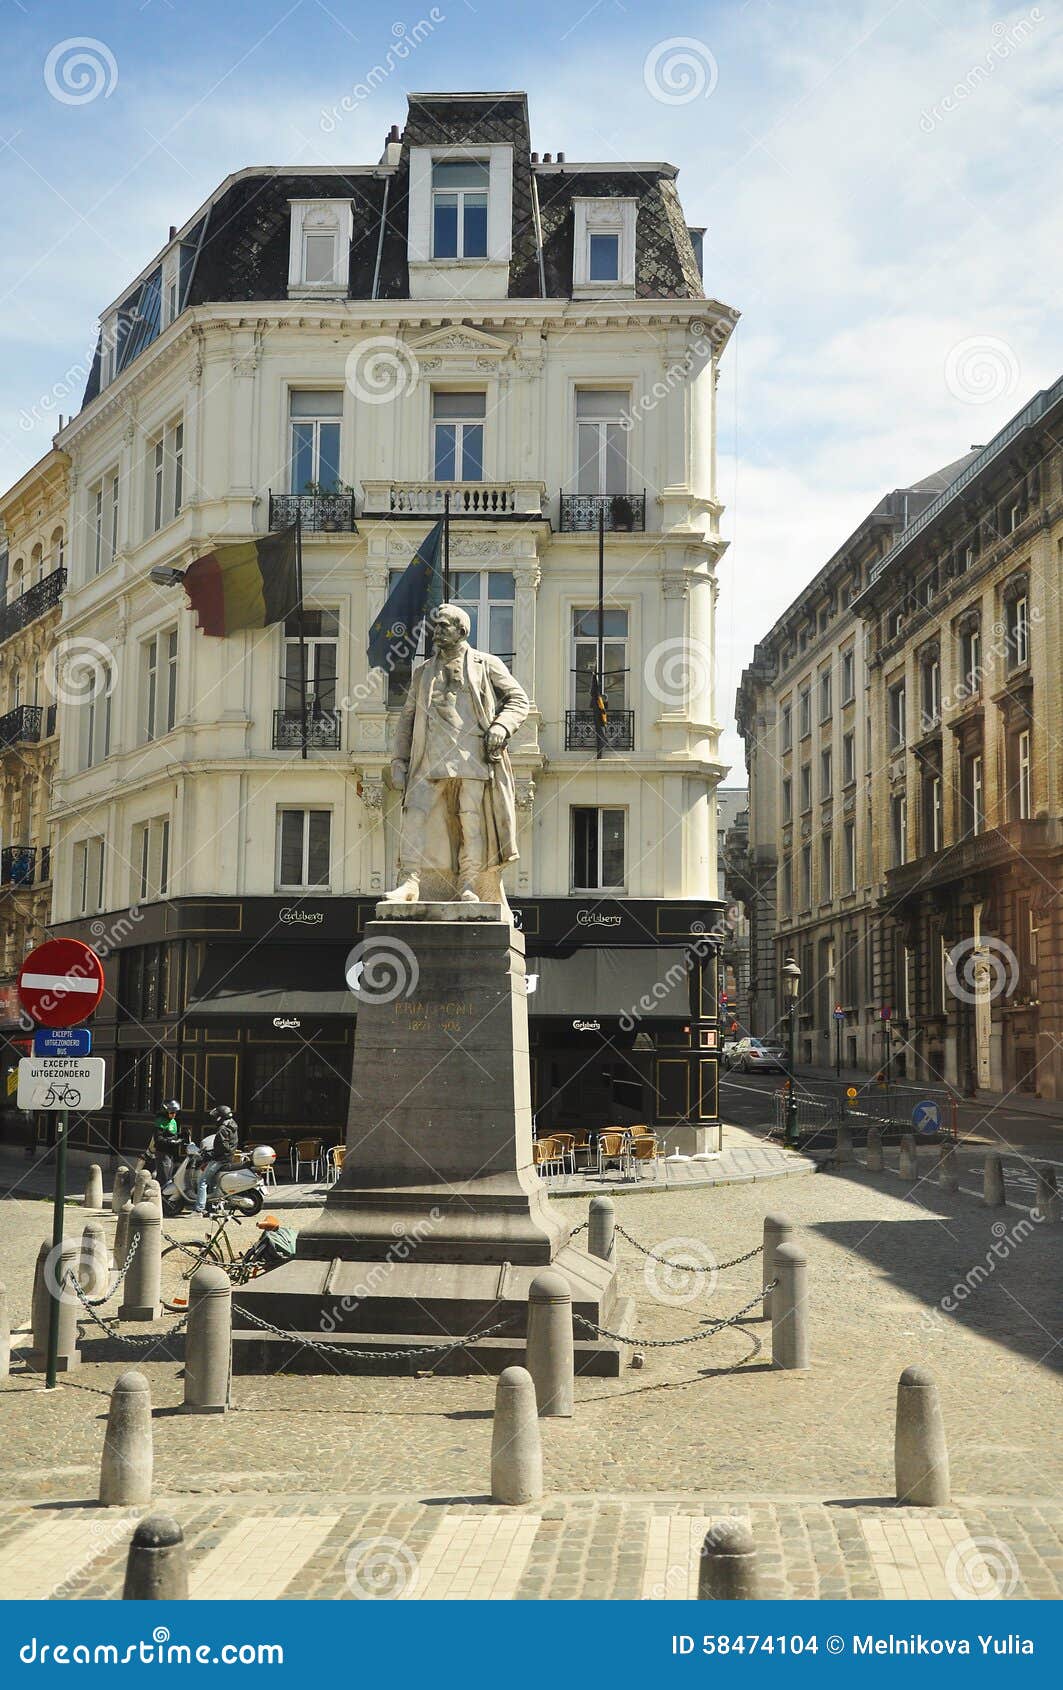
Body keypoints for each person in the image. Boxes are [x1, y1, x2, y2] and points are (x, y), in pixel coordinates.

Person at [385, 602, 529, 903]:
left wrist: (502, 727)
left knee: (470, 820)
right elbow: (408, 719)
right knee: (414, 813)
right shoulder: (423, 672)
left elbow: (518, 699)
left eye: (442, 626)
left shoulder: (485, 663)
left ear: (462, 630)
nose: (436, 631)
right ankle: (410, 881)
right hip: (429, 756)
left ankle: (468, 883)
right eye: (434, 626)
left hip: (472, 754)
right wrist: (399, 759)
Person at [194, 1105, 240, 1214]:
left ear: (221, 1117)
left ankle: (199, 1208)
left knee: (202, 1181)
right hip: (228, 1157)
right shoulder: (232, 1124)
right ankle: (212, 1205)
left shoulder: (222, 1129)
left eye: (217, 1116)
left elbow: (222, 1147)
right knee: (213, 1181)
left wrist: (210, 1154)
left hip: (220, 1159)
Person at [150, 1098, 182, 1187]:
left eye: (175, 1113)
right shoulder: (161, 1121)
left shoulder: (173, 1121)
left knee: (170, 1176)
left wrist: (181, 1136)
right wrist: (170, 1142)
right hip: (163, 1152)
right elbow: (158, 1138)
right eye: (171, 1113)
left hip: (171, 1152)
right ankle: (161, 1197)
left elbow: (173, 1135)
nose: (174, 1115)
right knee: (163, 1177)